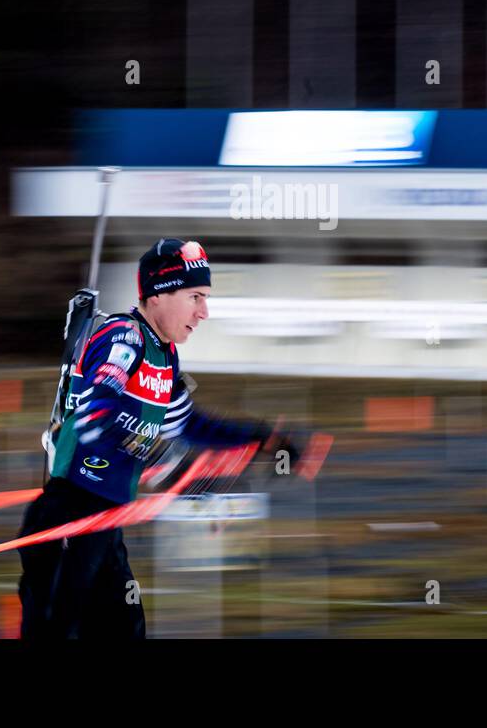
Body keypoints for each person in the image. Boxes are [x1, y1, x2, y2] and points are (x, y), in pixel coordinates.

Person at [18, 237, 302, 639]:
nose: (204, 312)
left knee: (125, 627)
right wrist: (161, 455)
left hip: (104, 519)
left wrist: (262, 437)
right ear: (159, 294)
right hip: (69, 516)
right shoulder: (124, 338)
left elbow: (188, 425)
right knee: (62, 629)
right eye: (195, 297)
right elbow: (97, 413)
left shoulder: (164, 357)